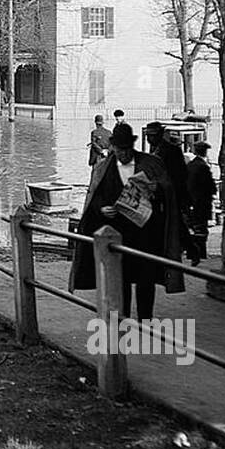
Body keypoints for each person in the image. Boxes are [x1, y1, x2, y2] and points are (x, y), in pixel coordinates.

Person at [69, 121, 184, 319]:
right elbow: (94, 200)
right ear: (114, 147)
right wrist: (103, 209)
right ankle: (124, 318)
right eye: (120, 150)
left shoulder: (151, 164)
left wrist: (156, 190)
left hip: (146, 233)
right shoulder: (103, 169)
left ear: (132, 146)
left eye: (126, 150)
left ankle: (145, 319)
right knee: (121, 277)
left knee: (145, 278)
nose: (123, 154)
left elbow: (169, 193)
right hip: (118, 233)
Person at [147, 122, 192, 257]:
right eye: (148, 136)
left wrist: (163, 186)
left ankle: (190, 248)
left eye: (153, 136)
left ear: (160, 135)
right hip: (157, 194)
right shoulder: (153, 151)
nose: (150, 139)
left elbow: (179, 175)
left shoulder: (172, 151)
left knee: (176, 221)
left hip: (171, 193)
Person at [184, 140, 217, 264]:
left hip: (191, 202)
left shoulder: (190, 165)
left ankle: (193, 253)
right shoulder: (203, 166)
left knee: (194, 228)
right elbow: (210, 187)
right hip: (201, 203)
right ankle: (198, 253)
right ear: (204, 152)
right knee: (201, 230)